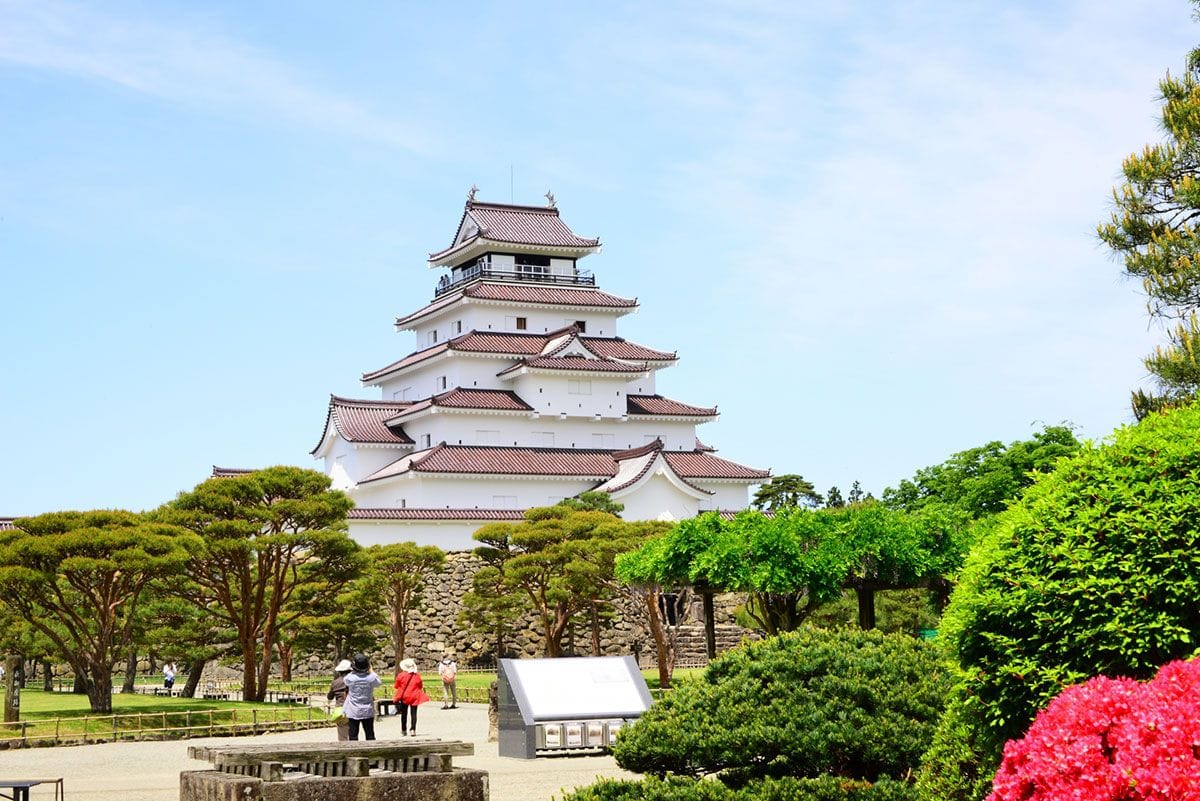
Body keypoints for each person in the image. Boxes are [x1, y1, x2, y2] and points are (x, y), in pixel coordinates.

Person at [342, 653, 382, 741]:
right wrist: (371, 671)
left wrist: (353, 670)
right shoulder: (371, 678)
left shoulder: (350, 678)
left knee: (353, 734)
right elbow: (379, 682)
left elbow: (345, 681)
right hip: (367, 709)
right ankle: (371, 752)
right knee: (370, 734)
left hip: (353, 709)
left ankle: (353, 753)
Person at [393, 657, 430, 736]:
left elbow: (396, 686)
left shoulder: (400, 675)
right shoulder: (417, 676)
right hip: (414, 696)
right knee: (414, 713)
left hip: (404, 696)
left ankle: (403, 730)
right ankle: (413, 729)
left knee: (404, 714)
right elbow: (420, 686)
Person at [326, 659, 352, 741]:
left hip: (340, 709)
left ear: (339, 671)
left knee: (342, 733)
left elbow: (330, 696)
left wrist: (328, 704)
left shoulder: (335, 682)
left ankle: (344, 750)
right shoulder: (353, 681)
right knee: (353, 732)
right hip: (352, 708)